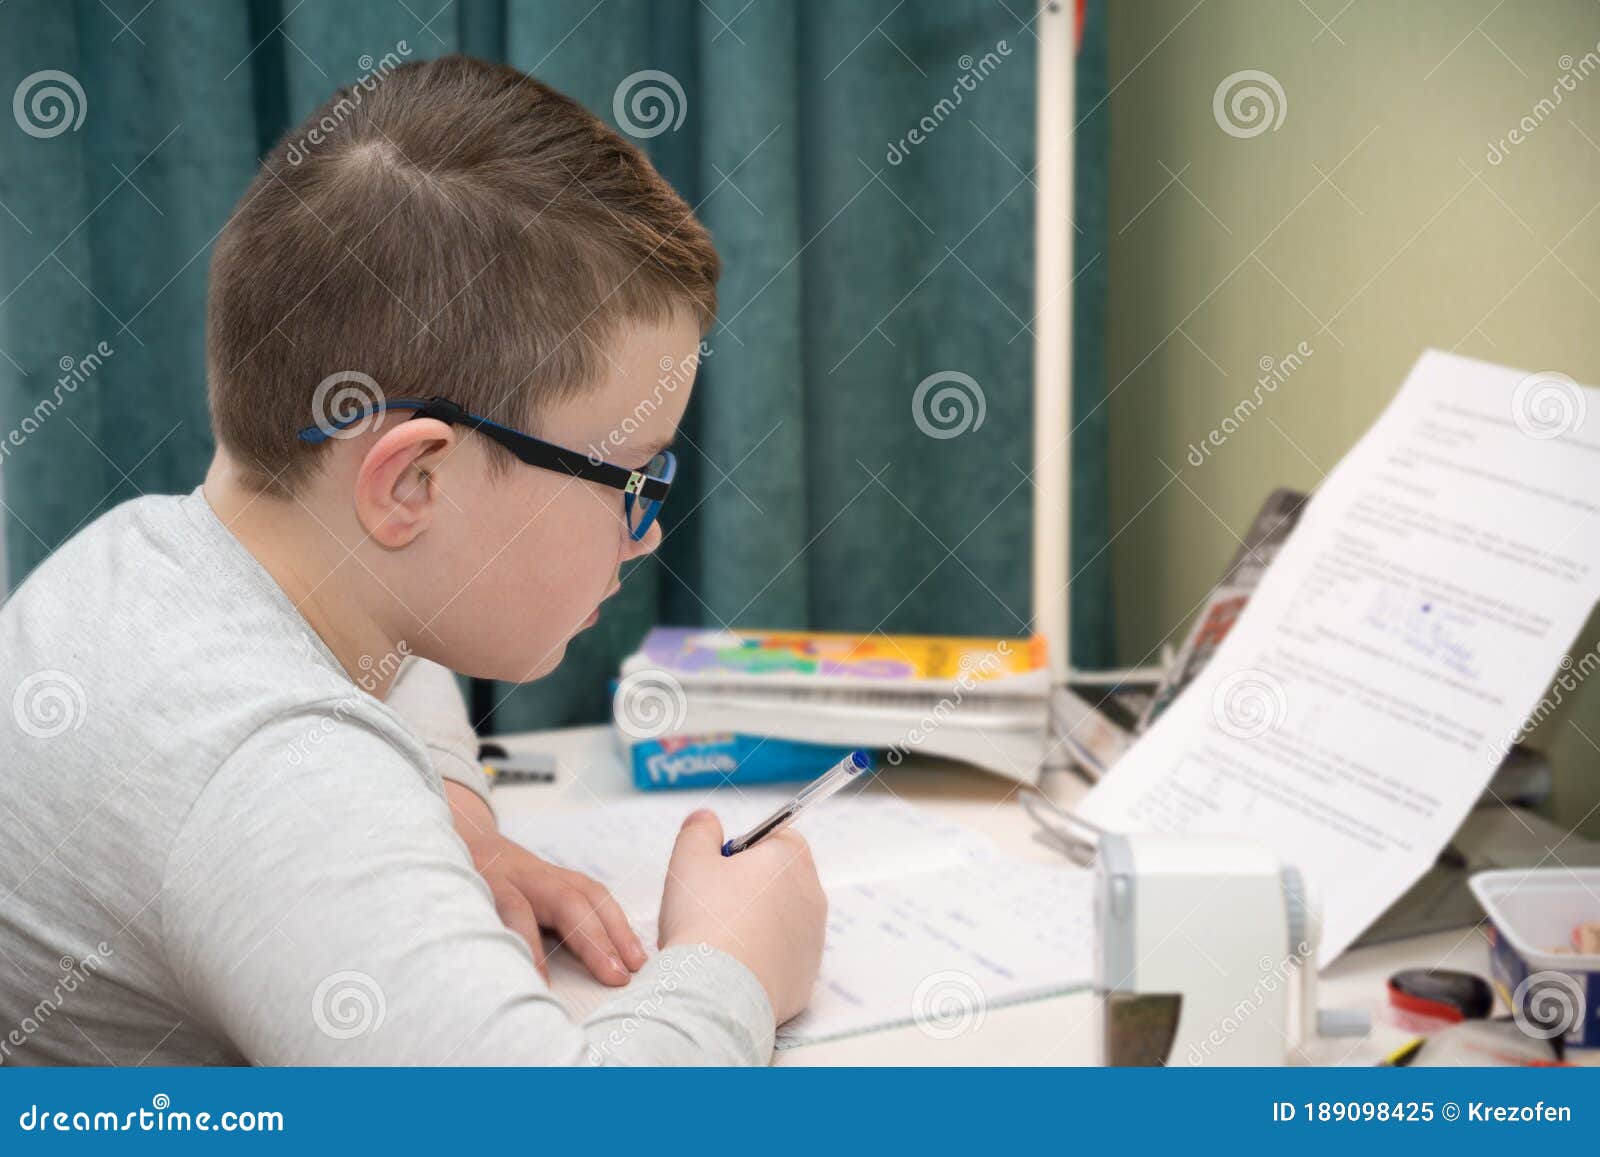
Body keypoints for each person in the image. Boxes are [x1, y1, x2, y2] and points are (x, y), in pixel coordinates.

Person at [0, 55, 825, 1065]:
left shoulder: (152, 555)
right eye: (633, 477)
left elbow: (394, 641)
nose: (646, 530)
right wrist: (731, 957)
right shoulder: (277, 774)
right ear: (412, 483)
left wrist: (459, 819)